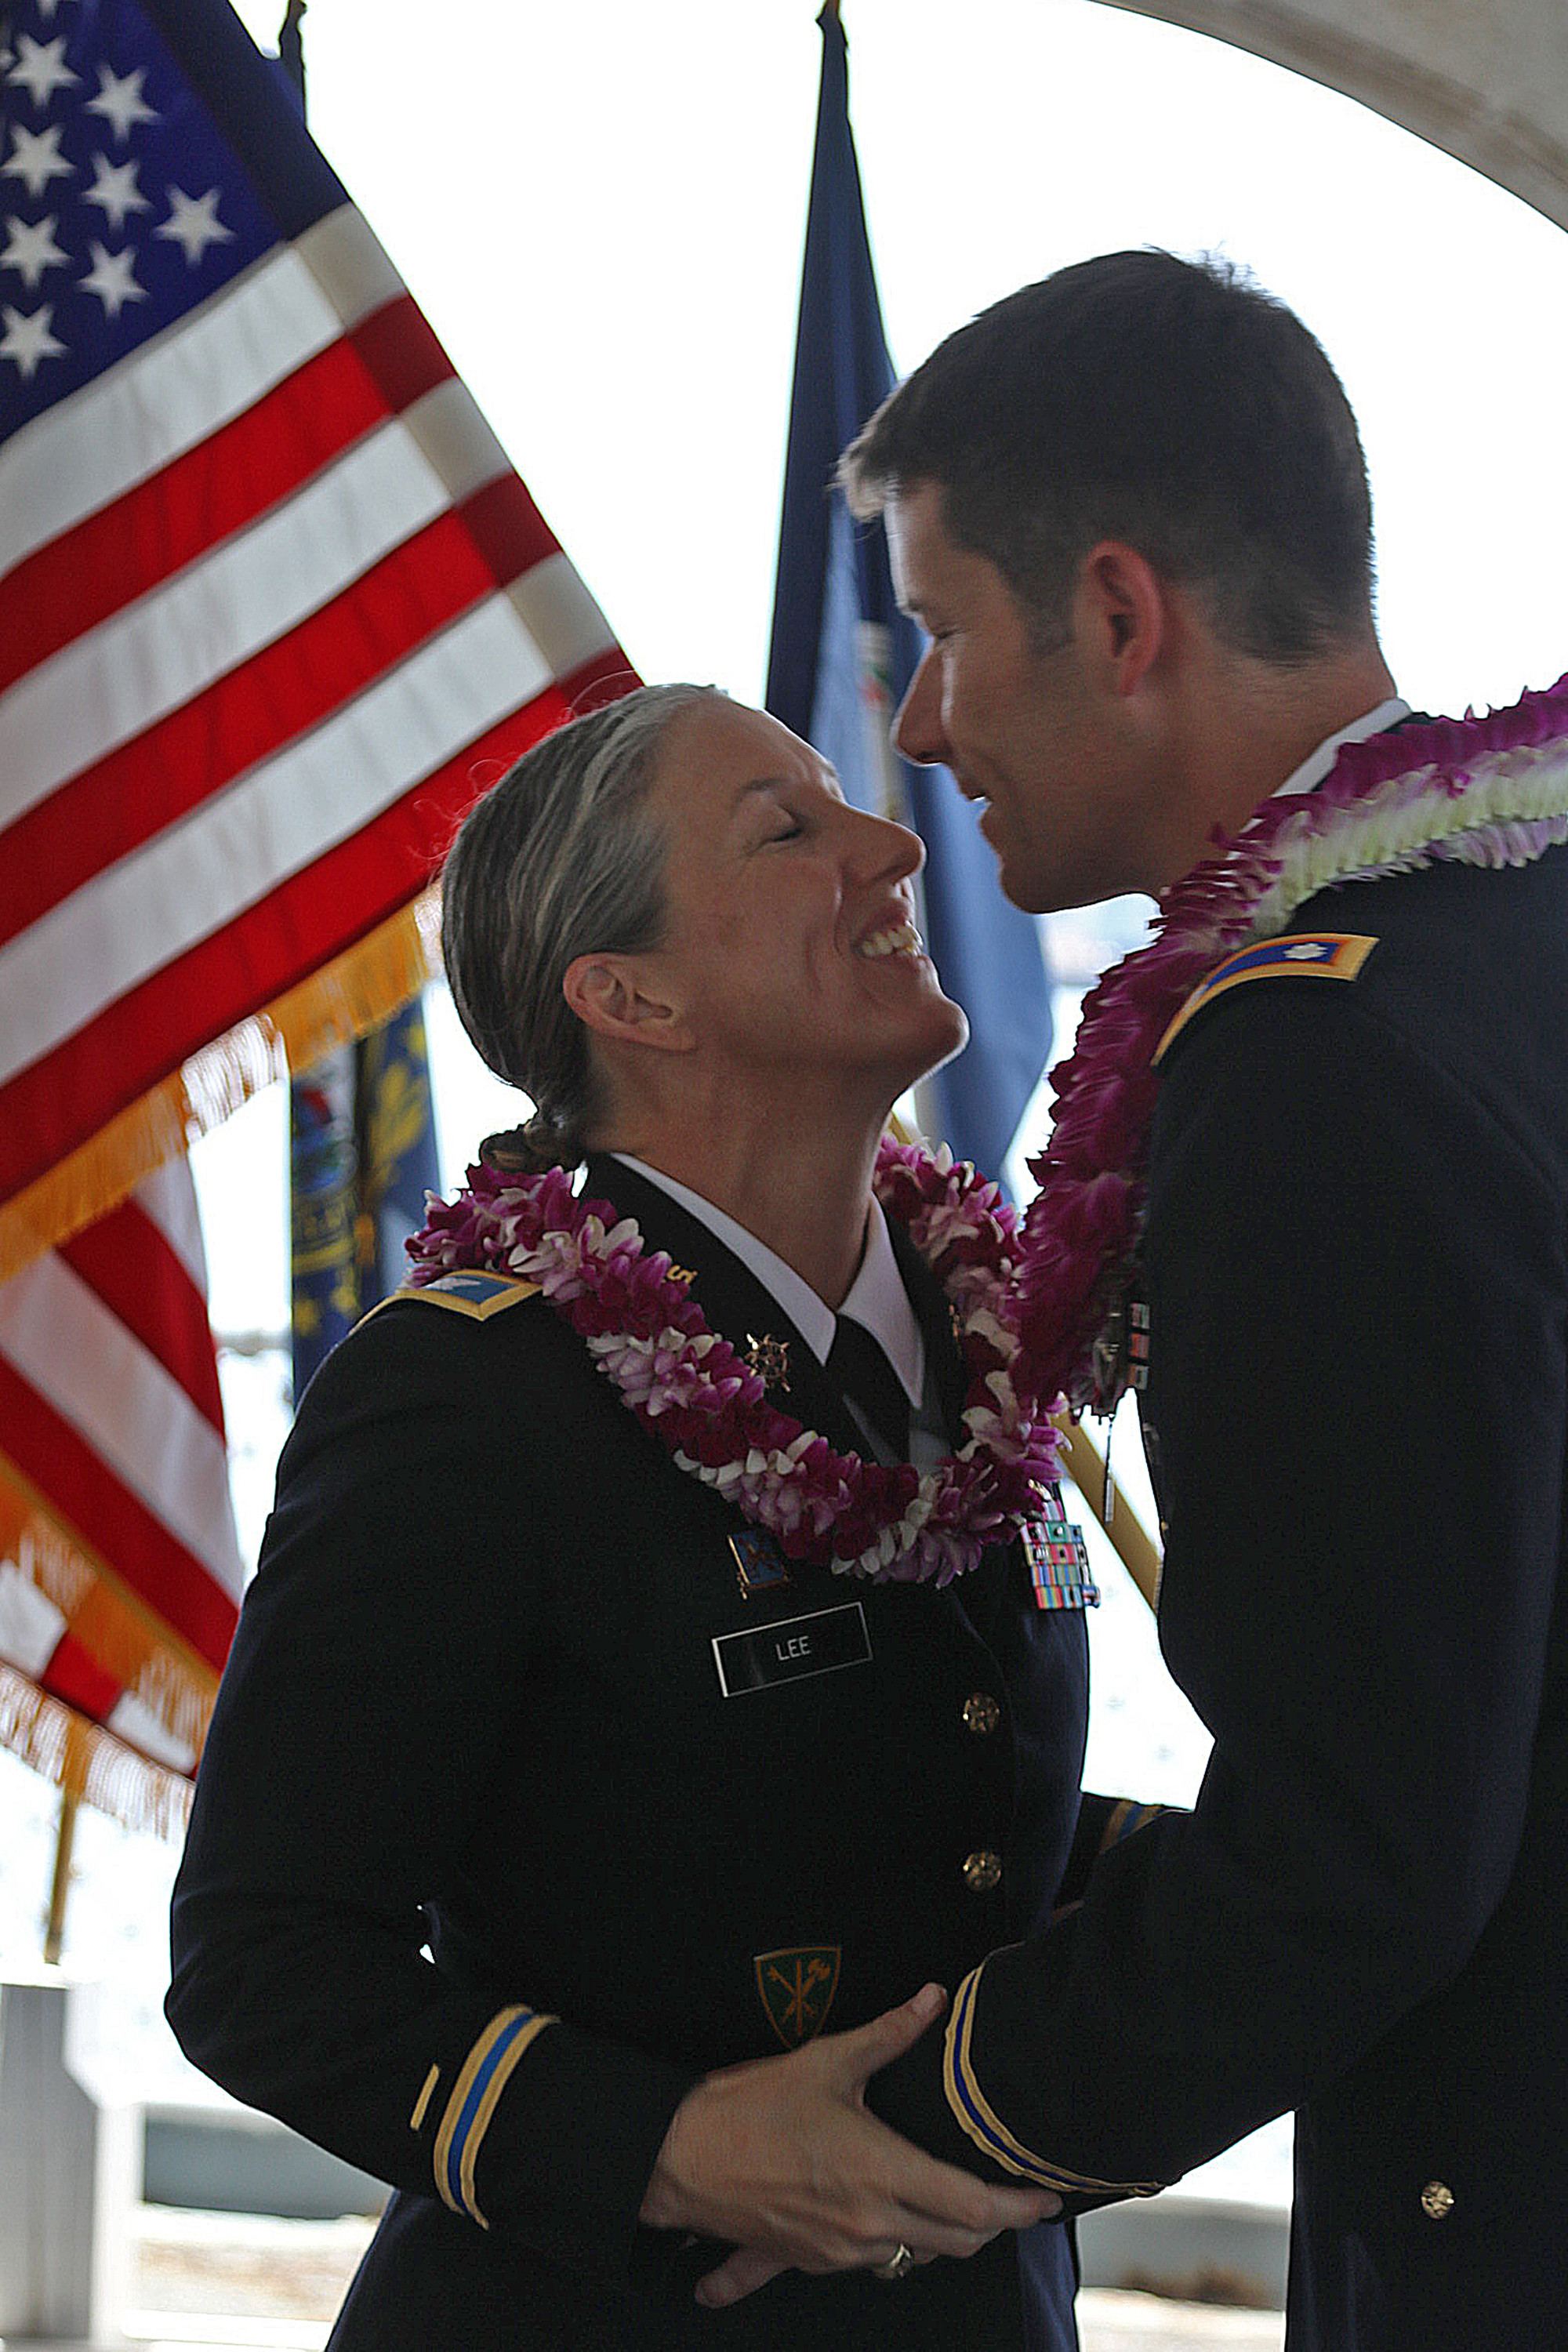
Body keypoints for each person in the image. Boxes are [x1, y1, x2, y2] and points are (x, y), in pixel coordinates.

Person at [695, 252, 1568, 2349]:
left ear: (1113, 614)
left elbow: (1358, 1853)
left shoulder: (1310, 1067)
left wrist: (882, 2132)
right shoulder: (1513, 933)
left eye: (940, 630)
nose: (911, 723)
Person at [165, 681, 1156, 2348]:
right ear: (629, 996)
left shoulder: (983, 1329)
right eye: (789, 830)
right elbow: (265, 1957)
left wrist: (1341, 1880)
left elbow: (942, 1802)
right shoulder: (468, 1393)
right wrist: (674, 2148)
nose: (895, 843)